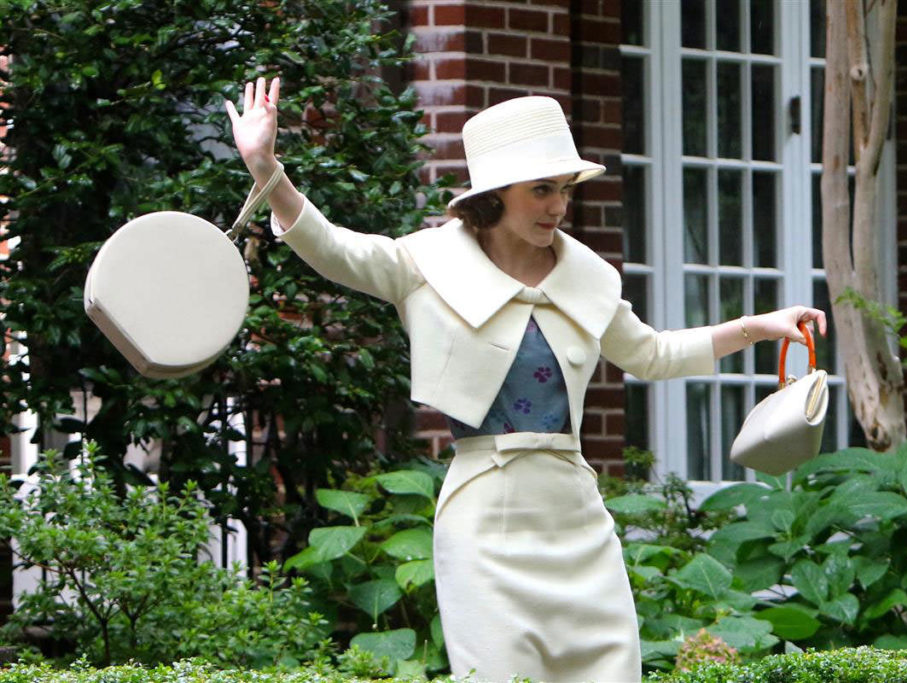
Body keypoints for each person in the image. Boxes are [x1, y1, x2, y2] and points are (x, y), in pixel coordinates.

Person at [225, 76, 827, 683]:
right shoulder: (424, 264)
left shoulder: (586, 276)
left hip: (576, 517)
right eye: (542, 190)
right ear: (494, 195)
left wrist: (758, 325)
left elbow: (653, 353)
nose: (558, 206)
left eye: (564, 190)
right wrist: (267, 168)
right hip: (484, 520)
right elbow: (333, 248)